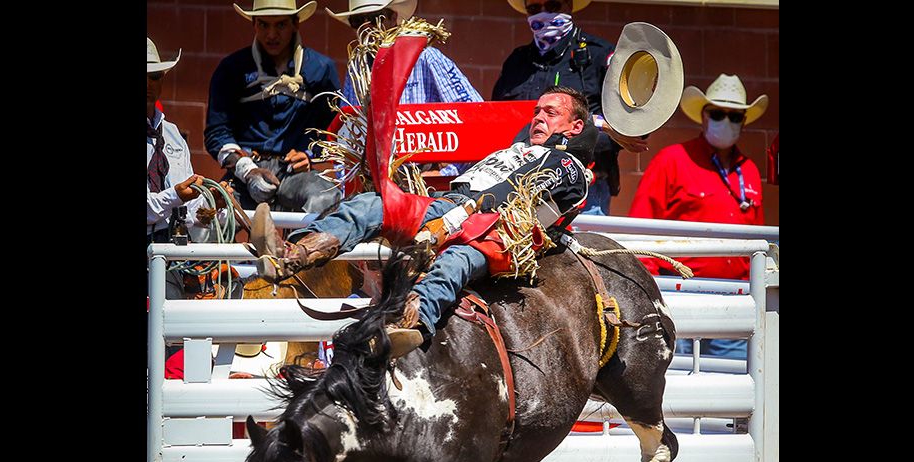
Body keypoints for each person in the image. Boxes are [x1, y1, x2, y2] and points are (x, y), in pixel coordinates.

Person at [250, 85, 594, 357]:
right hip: (450, 205)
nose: (538, 118)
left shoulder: (569, 167)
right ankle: (292, 255)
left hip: (498, 231)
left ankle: (409, 324)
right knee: (372, 205)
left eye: (550, 113)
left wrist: (454, 220)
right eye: (536, 112)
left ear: (575, 126)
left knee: (456, 261)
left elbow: (516, 192)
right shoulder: (514, 150)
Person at [628, 73, 769, 359]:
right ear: (703, 116)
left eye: (734, 116)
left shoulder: (750, 171)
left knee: (732, 381)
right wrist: (651, 291)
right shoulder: (672, 160)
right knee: (677, 377)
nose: (726, 122)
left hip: (736, 299)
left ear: (743, 122)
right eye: (717, 114)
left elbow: (757, 239)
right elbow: (641, 227)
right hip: (680, 295)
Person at [491, 0, 648, 215]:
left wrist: (593, 130)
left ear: (569, 5)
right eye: (534, 8)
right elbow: (497, 118)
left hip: (583, 185)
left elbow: (633, 123)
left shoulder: (600, 55)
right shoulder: (516, 61)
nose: (544, 14)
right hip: (518, 183)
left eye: (553, 6)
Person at [204, 1, 342, 215]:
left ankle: (304, 239)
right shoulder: (232, 69)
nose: (271, 34)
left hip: (295, 174)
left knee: (326, 198)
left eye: (281, 25)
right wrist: (246, 169)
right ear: (254, 24)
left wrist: (308, 154)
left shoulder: (320, 68)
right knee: (208, 213)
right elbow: (217, 132)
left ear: (295, 24)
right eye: (264, 25)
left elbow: (330, 129)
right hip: (245, 171)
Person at [327, 0, 483, 179]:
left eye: (375, 19)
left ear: (393, 18)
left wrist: (446, 173)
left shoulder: (426, 58)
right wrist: (346, 180)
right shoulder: (357, 69)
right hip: (372, 179)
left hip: (423, 179)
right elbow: (346, 133)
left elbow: (475, 117)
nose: (366, 28)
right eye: (357, 21)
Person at [147, 37, 234, 299]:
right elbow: (170, 200)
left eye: (154, 77)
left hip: (174, 252)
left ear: (162, 79)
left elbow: (189, 212)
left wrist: (212, 203)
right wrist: (175, 195)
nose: (148, 84)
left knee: (231, 289)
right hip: (155, 253)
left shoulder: (172, 135)